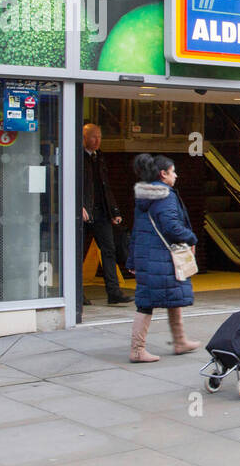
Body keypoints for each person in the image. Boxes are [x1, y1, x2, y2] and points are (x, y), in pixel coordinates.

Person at [128, 153, 200, 363]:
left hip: (148, 255)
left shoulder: (147, 196)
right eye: (173, 171)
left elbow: (137, 231)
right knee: (146, 303)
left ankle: (180, 341)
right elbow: (172, 227)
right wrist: (191, 237)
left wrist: (133, 259)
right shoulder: (165, 196)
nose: (176, 175)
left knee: (171, 294)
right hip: (160, 256)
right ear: (163, 174)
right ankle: (137, 349)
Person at [81, 123, 133, 306]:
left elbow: (106, 187)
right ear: (84, 138)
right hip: (84, 211)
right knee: (77, 253)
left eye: (100, 137)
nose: (97, 141)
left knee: (109, 250)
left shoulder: (99, 157)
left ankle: (114, 292)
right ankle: (77, 293)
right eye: (94, 137)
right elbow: (71, 183)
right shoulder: (77, 156)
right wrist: (79, 205)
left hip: (101, 211)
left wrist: (114, 211)